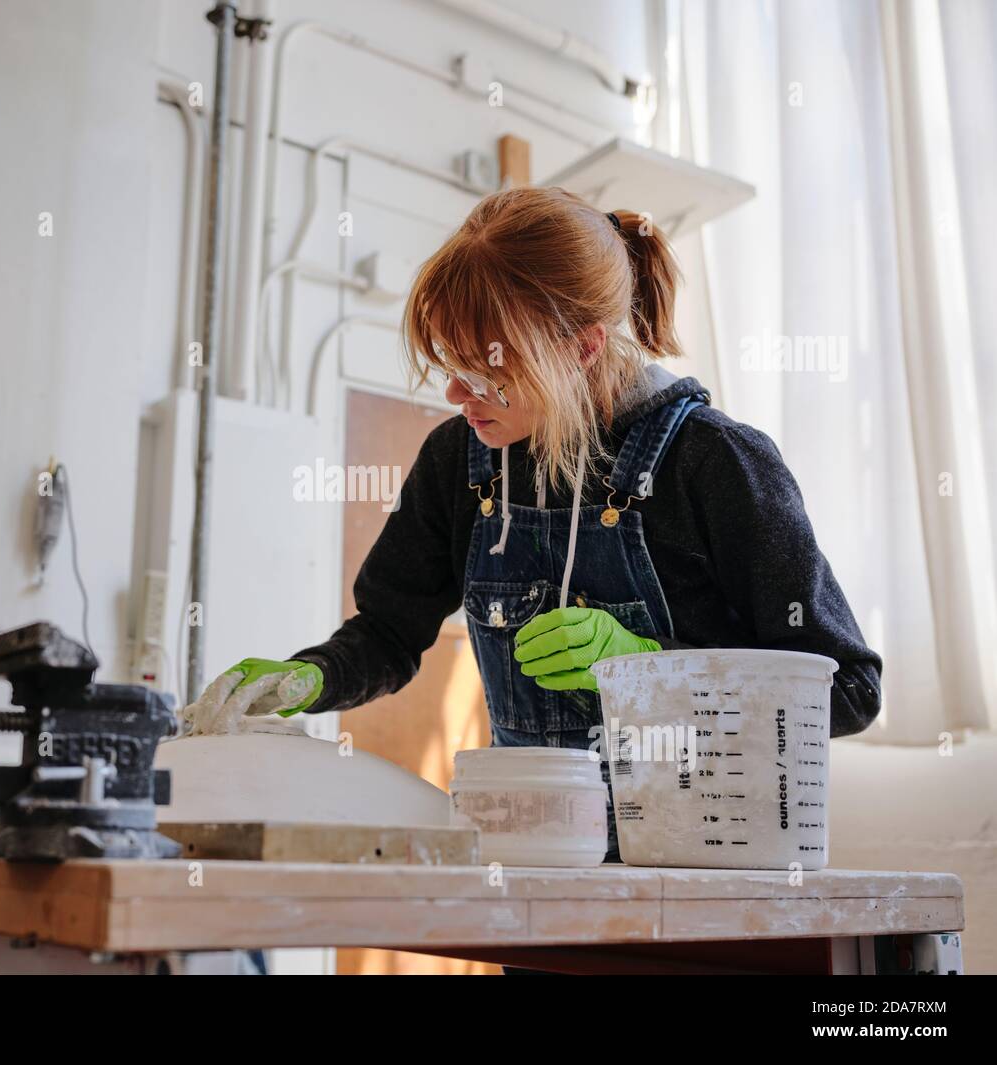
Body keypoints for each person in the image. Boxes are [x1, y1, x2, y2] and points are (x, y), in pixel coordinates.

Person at [192, 185, 882, 864]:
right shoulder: (460, 461)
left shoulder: (716, 462)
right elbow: (387, 634)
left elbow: (849, 691)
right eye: (451, 366)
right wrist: (306, 679)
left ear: (582, 349)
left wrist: (650, 669)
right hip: (530, 873)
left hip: (702, 879)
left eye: (484, 370)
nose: (455, 394)